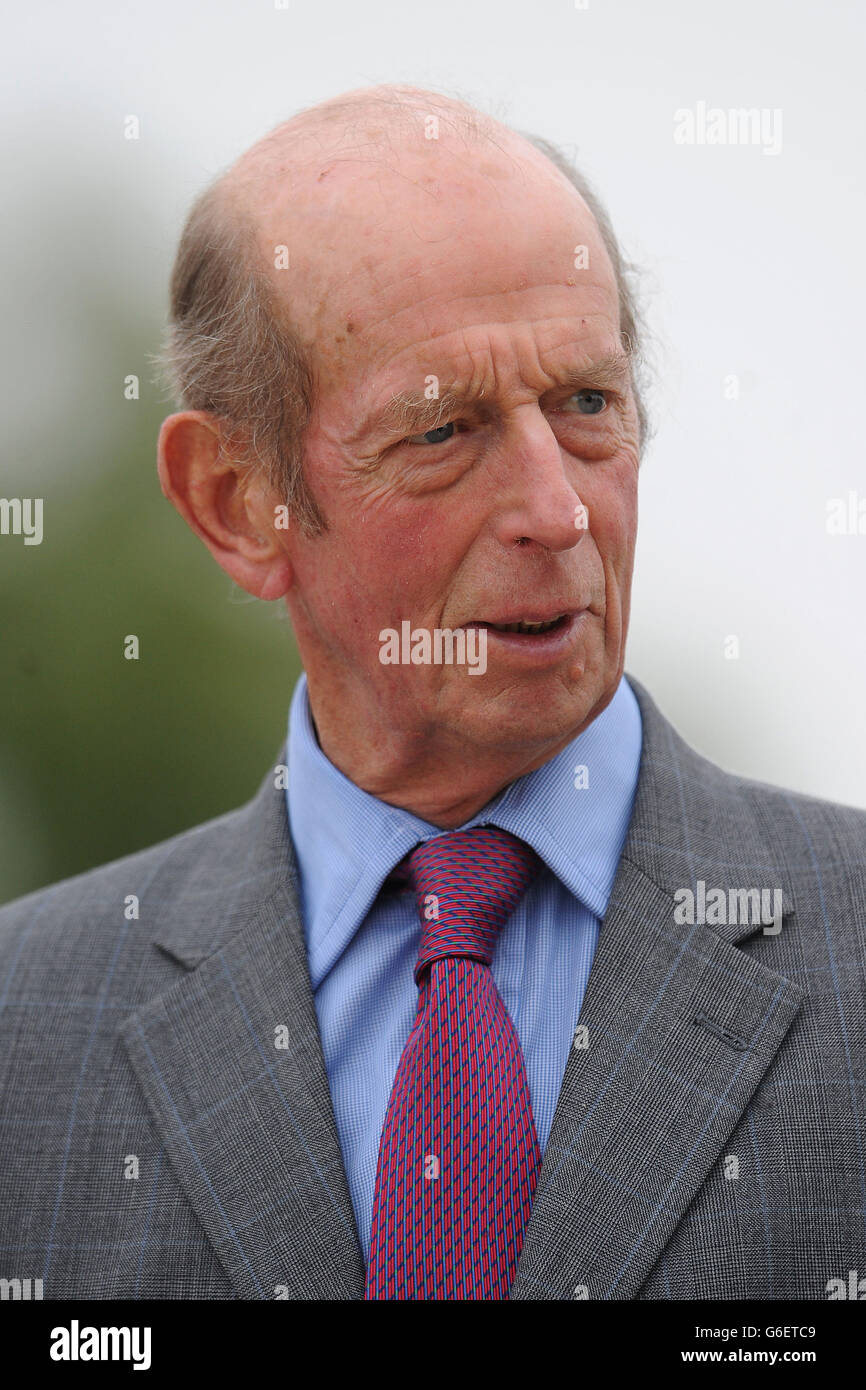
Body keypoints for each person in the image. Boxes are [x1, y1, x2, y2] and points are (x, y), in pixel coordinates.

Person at [0, 84, 864, 1302]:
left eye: (585, 405)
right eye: (443, 429)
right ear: (237, 502)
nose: (556, 510)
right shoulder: (26, 1028)